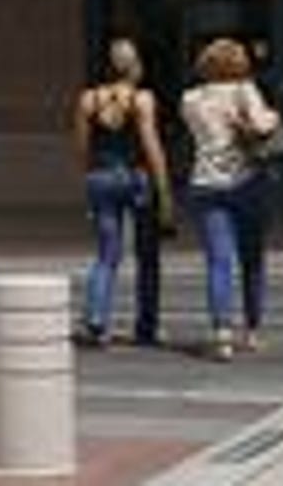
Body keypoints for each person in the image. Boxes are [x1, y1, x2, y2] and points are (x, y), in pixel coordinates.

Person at [181, 37, 283, 361]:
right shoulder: (245, 90)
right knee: (252, 259)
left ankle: (221, 334)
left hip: (205, 183)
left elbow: (201, 132)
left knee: (218, 261)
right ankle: (252, 331)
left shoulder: (190, 98)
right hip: (245, 182)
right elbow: (261, 125)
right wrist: (274, 117)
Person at [72, 38, 174, 347]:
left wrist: (88, 179)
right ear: (136, 66)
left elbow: (81, 148)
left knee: (106, 254)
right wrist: (165, 189)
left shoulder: (87, 100)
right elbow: (151, 146)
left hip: (101, 177)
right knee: (147, 256)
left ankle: (96, 321)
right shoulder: (142, 99)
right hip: (136, 178)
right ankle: (146, 327)